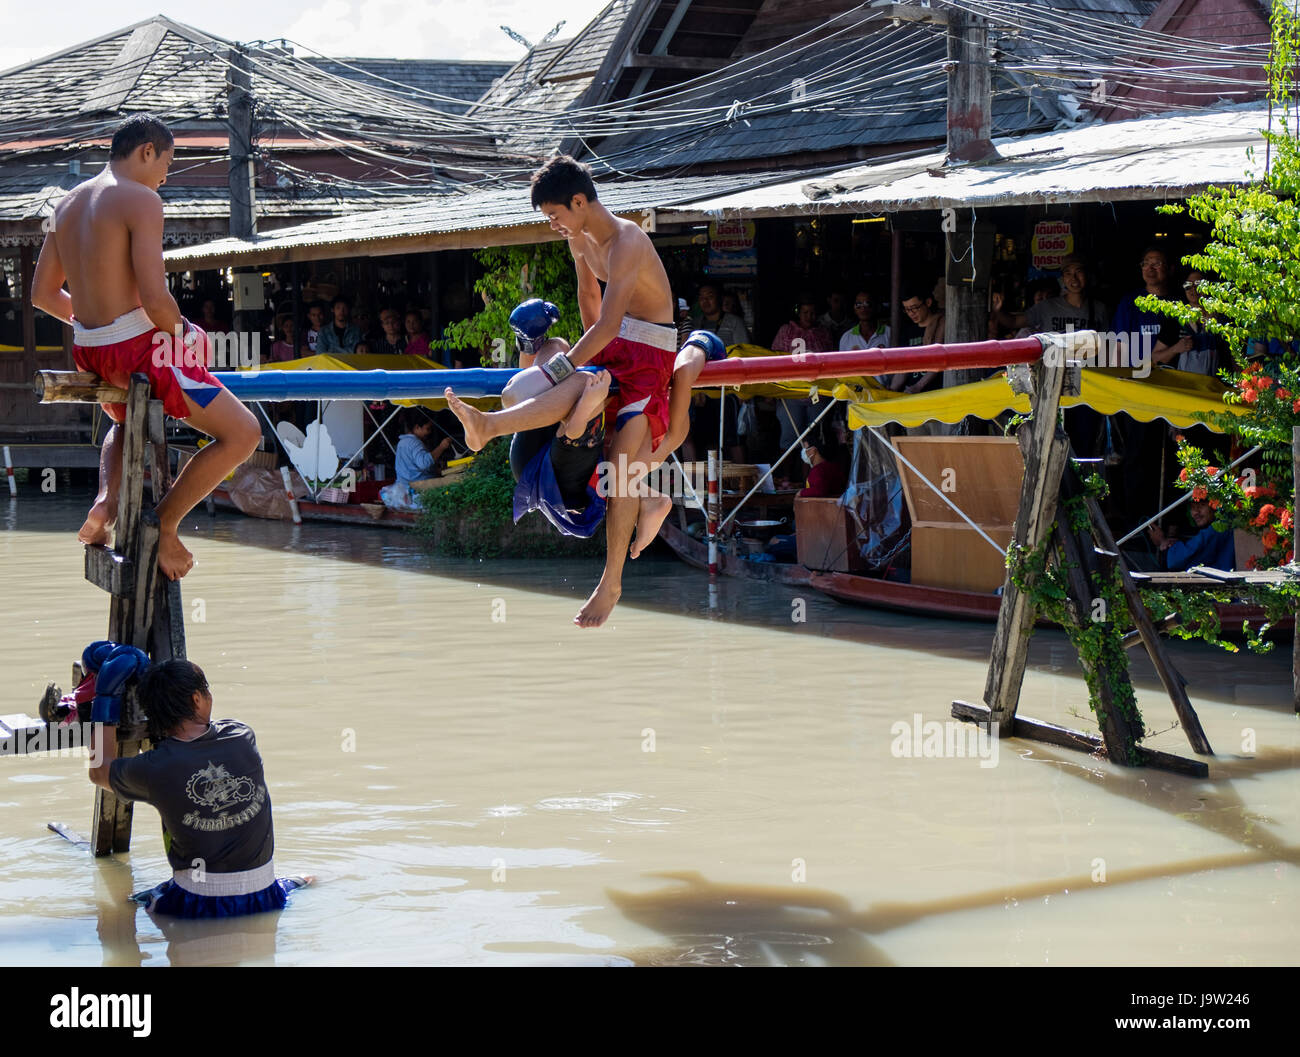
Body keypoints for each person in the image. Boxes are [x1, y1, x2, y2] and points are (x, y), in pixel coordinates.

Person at [444, 156, 678, 627]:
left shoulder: (628, 240)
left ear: (579, 200)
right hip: (615, 345)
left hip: (651, 352)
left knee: (621, 463)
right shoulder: (579, 238)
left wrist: (567, 362)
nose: (552, 224)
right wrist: (579, 365)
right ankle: (489, 425)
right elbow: (590, 302)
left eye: (555, 214)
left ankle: (611, 583)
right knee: (568, 388)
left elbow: (611, 320)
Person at [30, 114, 260, 580]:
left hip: (90, 350)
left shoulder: (66, 204)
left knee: (124, 419)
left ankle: (105, 501)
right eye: (168, 163)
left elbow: (43, 296)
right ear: (147, 150)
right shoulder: (141, 200)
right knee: (243, 434)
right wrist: (185, 333)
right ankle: (166, 524)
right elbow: (156, 300)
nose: (166, 176)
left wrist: (97, 325)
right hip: (138, 349)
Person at [86, 650, 310, 918]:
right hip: (265, 894)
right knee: (309, 877)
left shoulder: (154, 767)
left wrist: (105, 700)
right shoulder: (242, 736)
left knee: (126, 905)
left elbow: (99, 772)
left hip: (199, 902)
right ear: (197, 699)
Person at [771, 296, 834, 456]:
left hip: (817, 392)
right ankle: (786, 478)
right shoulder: (786, 331)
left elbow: (831, 359)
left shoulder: (823, 332)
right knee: (790, 436)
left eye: (812, 312)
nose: (808, 316)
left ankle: (808, 478)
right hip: (791, 391)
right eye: (805, 312)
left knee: (813, 437)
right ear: (798, 312)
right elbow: (774, 358)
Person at [1154, 269, 1224, 375]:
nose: (1193, 289)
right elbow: (1155, 358)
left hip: (1214, 388)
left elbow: (1233, 357)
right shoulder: (1175, 320)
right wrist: (1175, 349)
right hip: (1183, 388)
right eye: (1188, 285)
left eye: (1198, 284)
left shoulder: (1221, 319)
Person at [1025, 255, 1108, 336]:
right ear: (1063, 278)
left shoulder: (1100, 309)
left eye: (1079, 272)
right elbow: (1015, 321)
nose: (1074, 278)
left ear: (1087, 275)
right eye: (1068, 273)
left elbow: (1106, 345)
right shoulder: (1046, 306)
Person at [1148, 498, 1234, 571]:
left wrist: (1162, 541)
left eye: (1201, 505)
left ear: (1215, 504)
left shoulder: (1220, 527)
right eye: (1192, 507)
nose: (1195, 512)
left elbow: (1180, 560)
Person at [690, 282, 749, 347]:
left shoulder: (735, 322)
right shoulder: (694, 323)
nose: (705, 301)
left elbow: (743, 350)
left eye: (710, 296)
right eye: (701, 298)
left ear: (720, 298)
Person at [797, 433, 848, 498]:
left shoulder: (817, 471)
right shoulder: (833, 466)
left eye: (805, 448)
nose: (803, 452)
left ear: (813, 450)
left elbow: (819, 491)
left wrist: (801, 493)